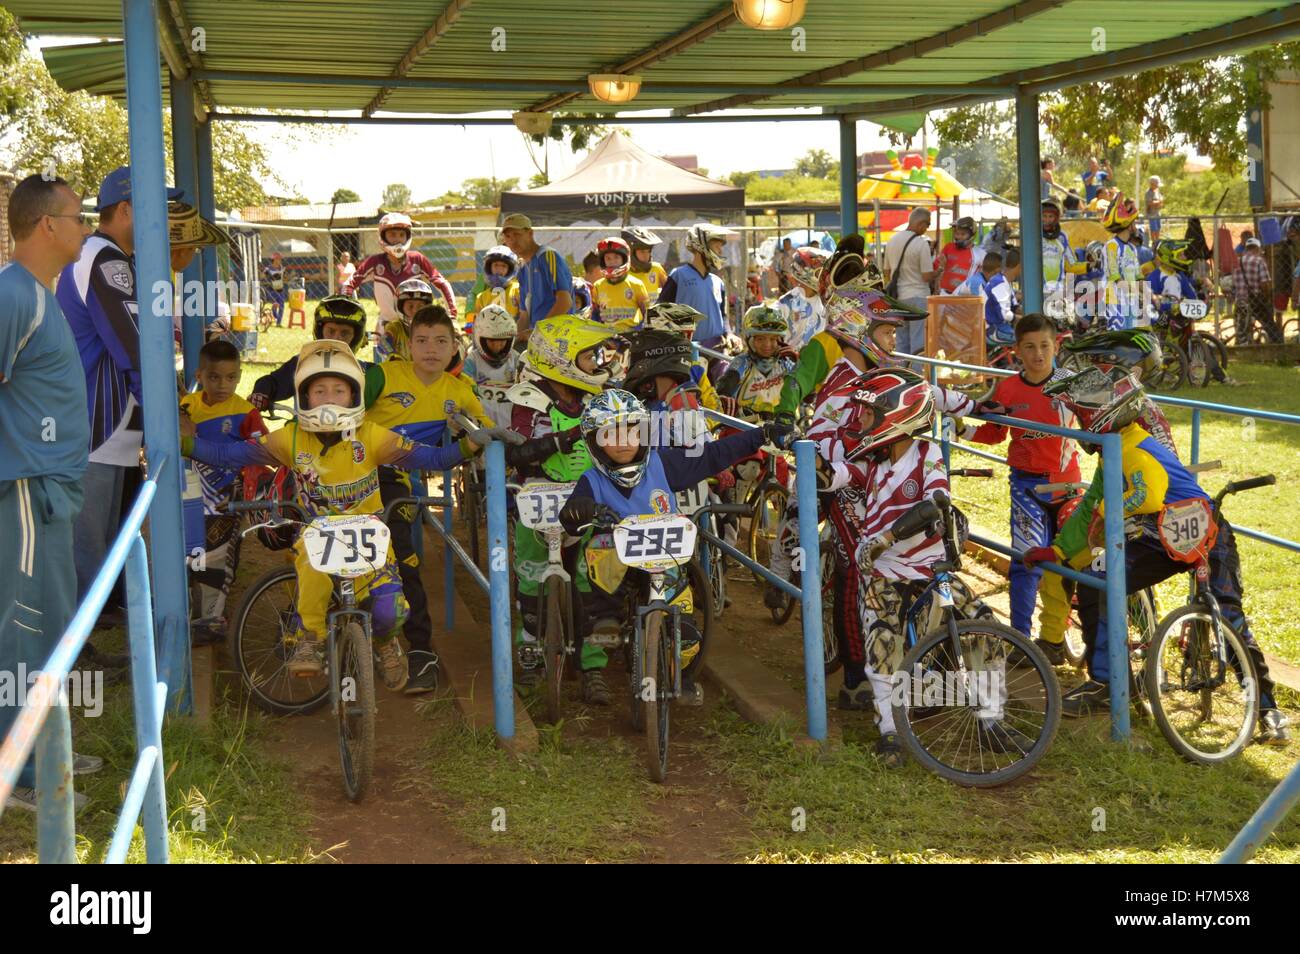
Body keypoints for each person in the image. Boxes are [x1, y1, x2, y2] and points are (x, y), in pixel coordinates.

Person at [181, 339, 479, 691]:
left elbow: (428, 459)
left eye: (339, 390)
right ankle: (310, 636)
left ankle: (385, 644)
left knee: (390, 613)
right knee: (312, 573)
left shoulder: (371, 436)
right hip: (316, 536)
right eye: (319, 390)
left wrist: (470, 444)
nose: (329, 399)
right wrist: (181, 442)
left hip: (369, 538)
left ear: (354, 396)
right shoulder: (290, 438)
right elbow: (230, 454)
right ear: (304, 397)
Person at [1025, 367, 1288, 742]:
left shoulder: (1131, 447)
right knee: (1104, 584)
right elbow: (1090, 507)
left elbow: (1143, 496)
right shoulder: (1114, 451)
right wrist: (1059, 549)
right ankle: (1110, 683)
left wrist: (1106, 513)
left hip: (1198, 531)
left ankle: (1265, 708)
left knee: (1227, 615)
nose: (1078, 423)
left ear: (1102, 417)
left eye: (1082, 415)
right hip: (1172, 534)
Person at [808, 367, 1002, 763]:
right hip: (883, 576)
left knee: (987, 628)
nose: (859, 421)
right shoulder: (869, 461)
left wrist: (885, 538)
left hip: (932, 572)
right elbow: (835, 476)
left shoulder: (927, 454)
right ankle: (890, 732)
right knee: (883, 648)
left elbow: (936, 504)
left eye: (867, 414)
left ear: (894, 415)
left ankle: (992, 719)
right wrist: (803, 456)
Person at [559, 389, 793, 706]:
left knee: (683, 622)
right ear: (594, 442)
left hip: (663, 558)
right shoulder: (591, 480)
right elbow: (572, 517)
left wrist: (760, 434)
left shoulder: (663, 463)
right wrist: (577, 512)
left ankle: (679, 673)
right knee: (594, 556)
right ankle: (601, 637)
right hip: (615, 567)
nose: (622, 441)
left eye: (630, 430)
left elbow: (713, 455)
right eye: (609, 434)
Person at [0, 174, 100, 813]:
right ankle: (26, 774)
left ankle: (49, 742)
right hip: (28, 491)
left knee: (52, 625)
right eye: (79, 216)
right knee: (27, 631)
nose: (85, 228)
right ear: (48, 226)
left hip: (51, 492)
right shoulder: (14, 294)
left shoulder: (39, 294)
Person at [56, 165, 181, 645]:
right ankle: (68, 665)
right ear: (126, 210)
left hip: (108, 433)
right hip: (93, 431)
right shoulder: (103, 259)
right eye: (156, 208)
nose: (164, 219)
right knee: (84, 559)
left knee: (101, 554)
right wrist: (163, 414)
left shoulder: (114, 258)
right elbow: (134, 350)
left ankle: (86, 646)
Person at [364, 305, 495, 693]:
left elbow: (484, 428)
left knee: (404, 554)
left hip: (394, 477)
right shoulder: (383, 375)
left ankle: (420, 650)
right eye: (421, 340)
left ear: (456, 347)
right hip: (351, 471)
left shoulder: (457, 391)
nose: (431, 349)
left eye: (441, 341)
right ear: (407, 345)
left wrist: (481, 439)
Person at [502, 316, 626, 697]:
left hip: (588, 494)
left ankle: (594, 665)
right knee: (531, 576)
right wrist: (565, 438)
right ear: (562, 358)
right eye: (590, 356)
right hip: (538, 495)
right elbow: (516, 452)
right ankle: (530, 652)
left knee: (597, 577)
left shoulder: (597, 399)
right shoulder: (529, 398)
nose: (599, 363)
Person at [962, 313, 1081, 660]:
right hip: (1027, 487)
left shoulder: (1071, 383)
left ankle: (1056, 636)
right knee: (1026, 562)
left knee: (1073, 561)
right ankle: (1021, 640)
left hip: (1068, 487)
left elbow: (1101, 420)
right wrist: (961, 430)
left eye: (1045, 346)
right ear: (1016, 350)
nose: (1038, 354)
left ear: (1056, 345)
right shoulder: (1009, 388)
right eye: (1029, 347)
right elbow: (994, 433)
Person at [179, 339, 267, 641]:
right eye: (214, 377)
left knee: (218, 560)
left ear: (240, 376)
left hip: (227, 502)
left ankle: (211, 621)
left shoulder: (245, 413)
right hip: (190, 498)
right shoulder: (185, 408)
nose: (223, 384)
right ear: (199, 376)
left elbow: (262, 452)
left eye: (231, 377)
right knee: (191, 557)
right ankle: (190, 614)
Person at [342, 211, 457, 335]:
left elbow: (442, 283)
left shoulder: (417, 259)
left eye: (402, 235)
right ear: (383, 236)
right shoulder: (374, 262)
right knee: (383, 352)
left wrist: (452, 317)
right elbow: (349, 284)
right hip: (387, 326)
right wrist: (346, 316)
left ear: (407, 237)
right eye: (392, 234)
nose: (398, 239)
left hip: (417, 326)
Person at [246, 295, 368, 411]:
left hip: (352, 431)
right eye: (331, 331)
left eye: (345, 333)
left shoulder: (365, 371)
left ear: (356, 337)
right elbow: (273, 382)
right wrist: (261, 394)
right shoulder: (302, 364)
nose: (336, 338)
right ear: (320, 331)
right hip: (303, 431)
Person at [659, 224, 737, 371]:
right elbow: (660, 311)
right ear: (701, 246)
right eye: (716, 246)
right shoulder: (678, 275)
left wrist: (730, 334)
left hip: (717, 349)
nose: (720, 251)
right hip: (689, 351)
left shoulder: (717, 282)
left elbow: (723, 315)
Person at [499, 213, 573, 344]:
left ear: (530, 233)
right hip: (538, 339)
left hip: (560, 338)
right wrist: (511, 342)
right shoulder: (522, 268)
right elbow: (524, 316)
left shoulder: (547, 256)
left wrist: (538, 331)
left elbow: (565, 302)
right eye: (508, 236)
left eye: (517, 234)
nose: (512, 241)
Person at [715, 304, 797, 421]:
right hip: (746, 426)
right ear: (749, 340)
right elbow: (725, 386)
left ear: (781, 341)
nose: (767, 344)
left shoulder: (785, 363)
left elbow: (809, 397)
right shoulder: (743, 362)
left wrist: (799, 365)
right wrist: (724, 397)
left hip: (780, 425)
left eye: (773, 339)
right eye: (760, 339)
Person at [881, 207, 936, 355]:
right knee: (918, 341)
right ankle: (917, 376)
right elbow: (926, 276)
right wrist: (938, 272)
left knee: (901, 341)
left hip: (898, 299)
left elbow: (886, 272)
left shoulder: (892, 241)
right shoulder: (921, 243)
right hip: (918, 297)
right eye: (928, 225)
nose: (927, 229)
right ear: (921, 224)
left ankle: (902, 374)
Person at [462, 303, 520, 430]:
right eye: (492, 340)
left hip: (511, 423)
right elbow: (463, 386)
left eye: (503, 340)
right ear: (480, 338)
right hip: (481, 424)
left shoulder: (516, 359)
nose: (497, 346)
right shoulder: (473, 360)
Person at [1098, 194, 1144, 330]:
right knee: (1118, 338)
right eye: (1133, 223)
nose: (1135, 227)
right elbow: (1114, 274)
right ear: (1128, 225)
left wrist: (1147, 294)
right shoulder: (1111, 245)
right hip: (1114, 298)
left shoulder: (1132, 248)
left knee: (1131, 338)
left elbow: (1138, 274)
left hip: (1131, 299)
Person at [775, 245, 830, 349]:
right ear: (804, 271)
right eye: (820, 273)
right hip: (791, 361)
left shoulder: (825, 303)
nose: (825, 277)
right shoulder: (787, 303)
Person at [590, 236, 649, 331]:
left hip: (631, 336)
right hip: (608, 338)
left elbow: (647, 314)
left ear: (625, 259)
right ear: (602, 261)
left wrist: (637, 331)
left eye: (616, 257)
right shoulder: (598, 286)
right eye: (608, 258)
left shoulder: (636, 284)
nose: (612, 262)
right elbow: (595, 314)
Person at [1234, 238, 1282, 343]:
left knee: (1242, 328)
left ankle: (1242, 346)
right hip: (1255, 300)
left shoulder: (1237, 261)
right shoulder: (1259, 260)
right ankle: (1278, 345)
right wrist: (1266, 296)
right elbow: (1264, 283)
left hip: (1240, 300)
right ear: (1257, 248)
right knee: (1269, 324)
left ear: (1246, 248)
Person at [375, 277, 433, 362]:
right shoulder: (395, 327)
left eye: (420, 307)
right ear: (400, 307)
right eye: (410, 306)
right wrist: (392, 355)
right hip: (398, 372)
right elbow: (383, 342)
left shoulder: (432, 329)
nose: (415, 310)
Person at [465, 245, 521, 331]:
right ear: (489, 267)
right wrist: (471, 323)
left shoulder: (517, 290)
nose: (499, 269)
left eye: (503, 266)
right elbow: (477, 320)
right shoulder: (482, 297)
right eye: (495, 265)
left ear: (510, 269)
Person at [979, 250, 1019, 344]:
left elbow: (1015, 307)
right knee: (1027, 339)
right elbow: (1005, 314)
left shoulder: (1004, 281)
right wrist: (1023, 319)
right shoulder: (999, 284)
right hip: (991, 331)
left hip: (998, 327)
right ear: (1019, 266)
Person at [934, 216, 977, 296]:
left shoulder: (979, 254)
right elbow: (935, 269)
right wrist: (941, 266)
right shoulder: (948, 247)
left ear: (972, 234)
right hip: (944, 294)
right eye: (957, 234)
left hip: (965, 297)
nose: (959, 237)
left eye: (963, 234)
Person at [623, 226, 668, 301]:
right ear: (630, 252)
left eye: (648, 251)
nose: (646, 256)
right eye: (642, 252)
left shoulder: (656, 268)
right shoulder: (622, 273)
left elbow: (669, 292)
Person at [263, 251, 287, 327]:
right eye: (279, 259)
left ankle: (279, 323)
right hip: (272, 290)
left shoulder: (282, 268)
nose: (280, 261)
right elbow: (263, 277)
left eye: (280, 259)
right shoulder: (268, 269)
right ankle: (276, 318)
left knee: (282, 306)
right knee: (275, 305)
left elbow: (285, 278)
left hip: (281, 289)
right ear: (274, 260)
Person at [1144, 176, 1164, 242]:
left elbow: (1161, 200)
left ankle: (1157, 241)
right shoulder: (1148, 193)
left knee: (1158, 228)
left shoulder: (1157, 192)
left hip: (1157, 213)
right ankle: (1154, 242)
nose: (1157, 186)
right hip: (1151, 214)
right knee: (1153, 229)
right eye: (1156, 185)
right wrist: (1158, 202)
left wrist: (1160, 203)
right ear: (1152, 184)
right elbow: (1149, 203)